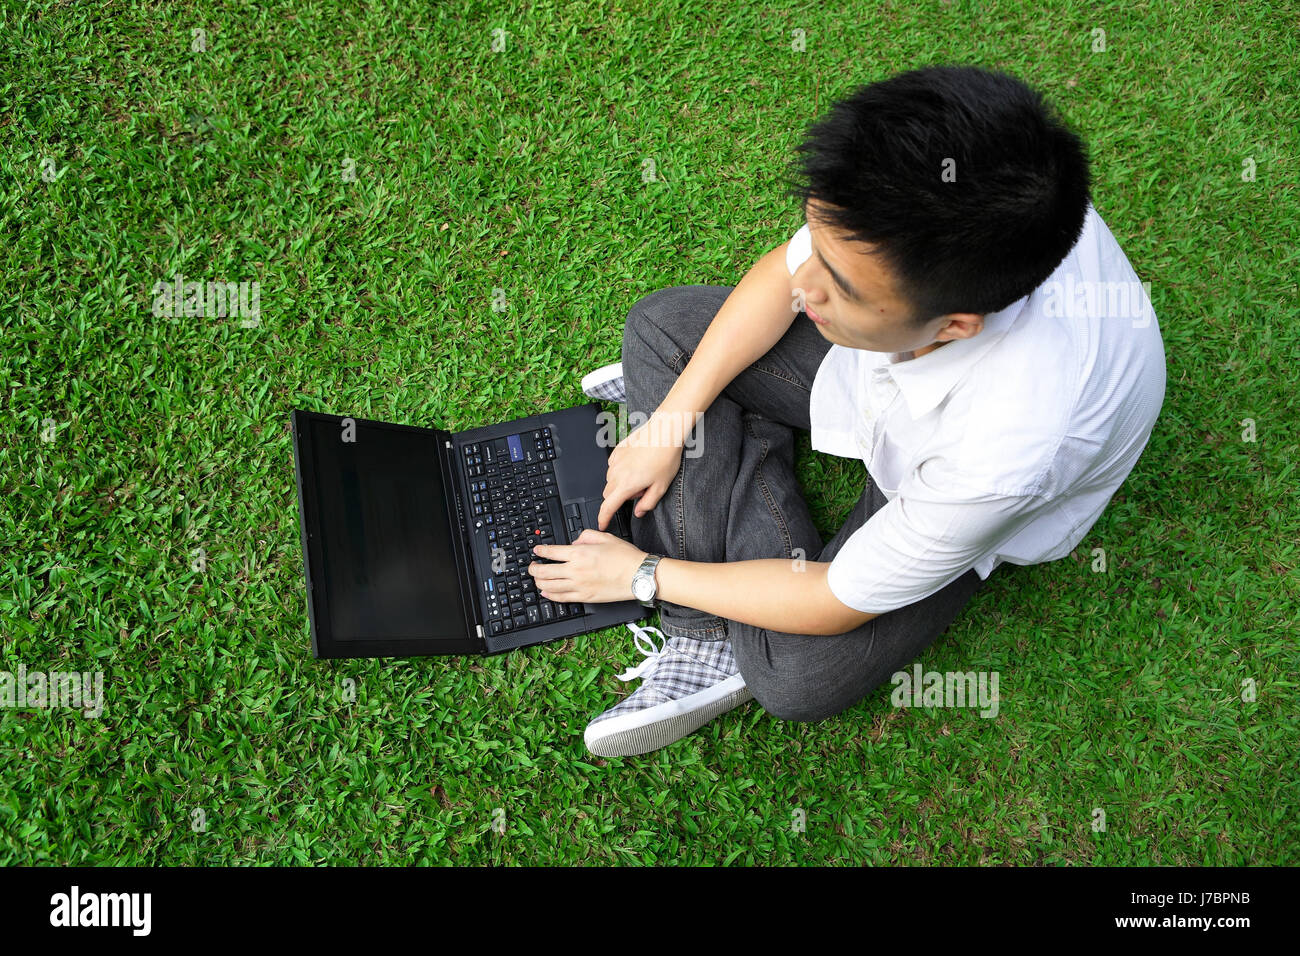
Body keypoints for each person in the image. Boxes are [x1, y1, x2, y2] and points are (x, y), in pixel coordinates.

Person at [527, 65, 1167, 757]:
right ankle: (734, 425)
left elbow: (833, 601)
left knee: (797, 676)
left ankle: (708, 630)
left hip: (944, 477)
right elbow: (783, 274)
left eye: (840, 287)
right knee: (665, 327)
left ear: (953, 326)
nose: (803, 286)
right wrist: (671, 420)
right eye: (818, 243)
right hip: (895, 372)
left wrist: (641, 575)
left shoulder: (1006, 453)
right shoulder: (942, 195)